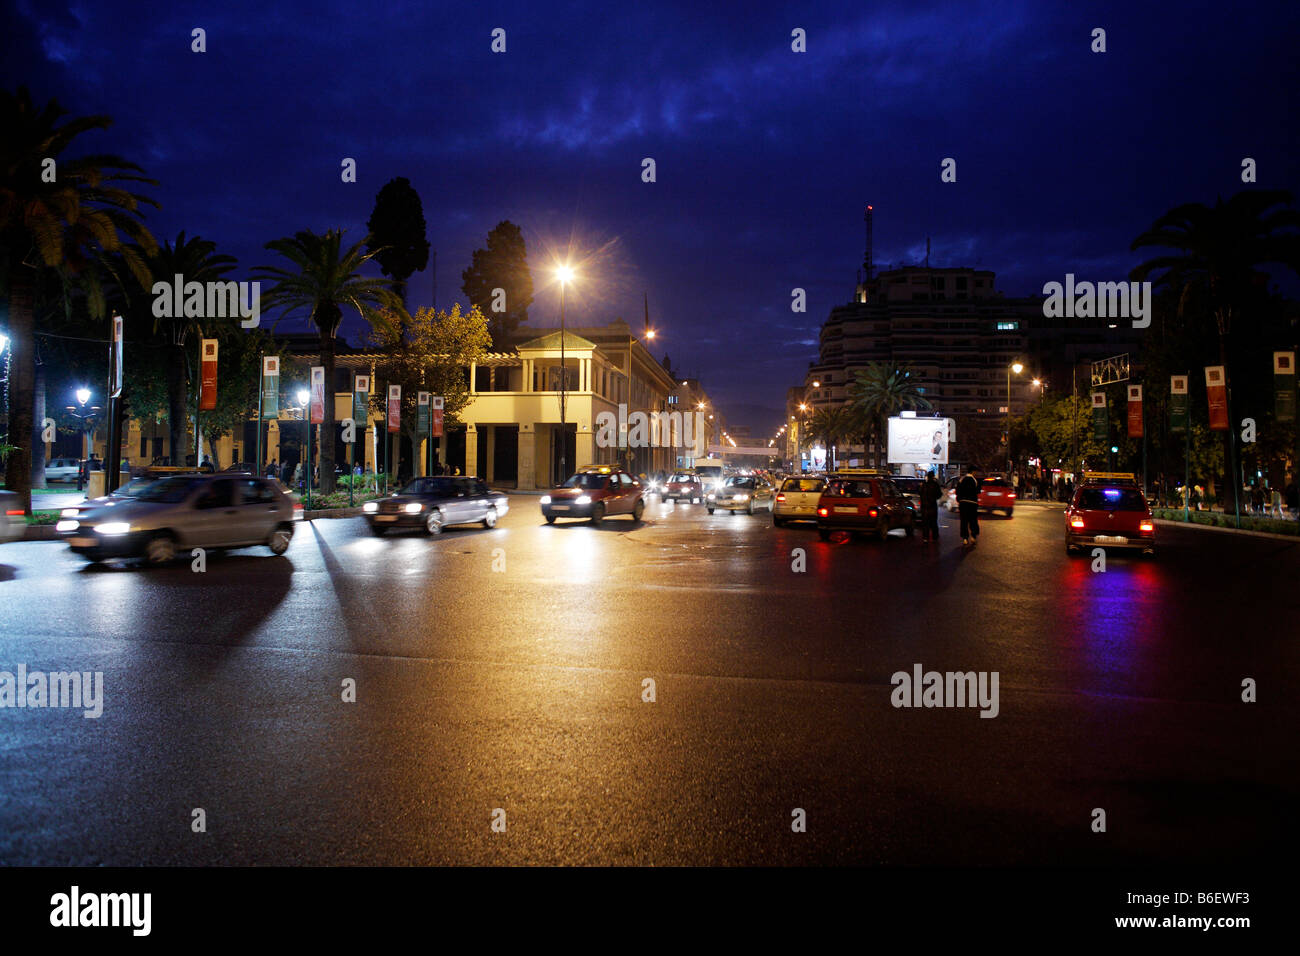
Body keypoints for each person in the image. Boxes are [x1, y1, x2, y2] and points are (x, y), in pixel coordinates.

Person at [956, 466, 981, 547]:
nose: (976, 473)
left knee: (964, 521)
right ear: (973, 472)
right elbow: (978, 491)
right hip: (972, 503)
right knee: (973, 520)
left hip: (963, 503)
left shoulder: (961, 479)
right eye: (976, 472)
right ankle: (973, 536)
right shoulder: (975, 480)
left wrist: (960, 500)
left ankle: (965, 538)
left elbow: (957, 491)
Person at [920, 470, 942, 542]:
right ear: (933, 476)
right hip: (932, 506)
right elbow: (939, 494)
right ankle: (934, 537)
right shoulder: (935, 485)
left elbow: (920, 493)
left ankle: (925, 537)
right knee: (933, 522)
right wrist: (934, 498)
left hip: (924, 506)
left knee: (925, 523)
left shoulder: (923, 485)